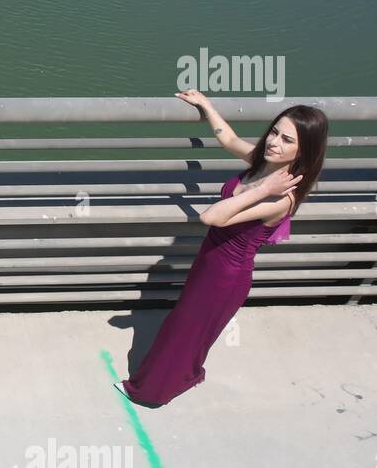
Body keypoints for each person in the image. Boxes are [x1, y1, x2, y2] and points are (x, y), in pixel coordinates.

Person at [117, 90, 328, 407]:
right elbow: (229, 140)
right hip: (210, 261)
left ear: (303, 151)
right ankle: (185, 376)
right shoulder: (264, 163)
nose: (274, 143)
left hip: (226, 276)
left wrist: (264, 189)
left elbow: (212, 216)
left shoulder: (280, 197)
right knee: (188, 328)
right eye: (274, 132)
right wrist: (207, 107)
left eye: (287, 140)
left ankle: (149, 392)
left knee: (183, 332)